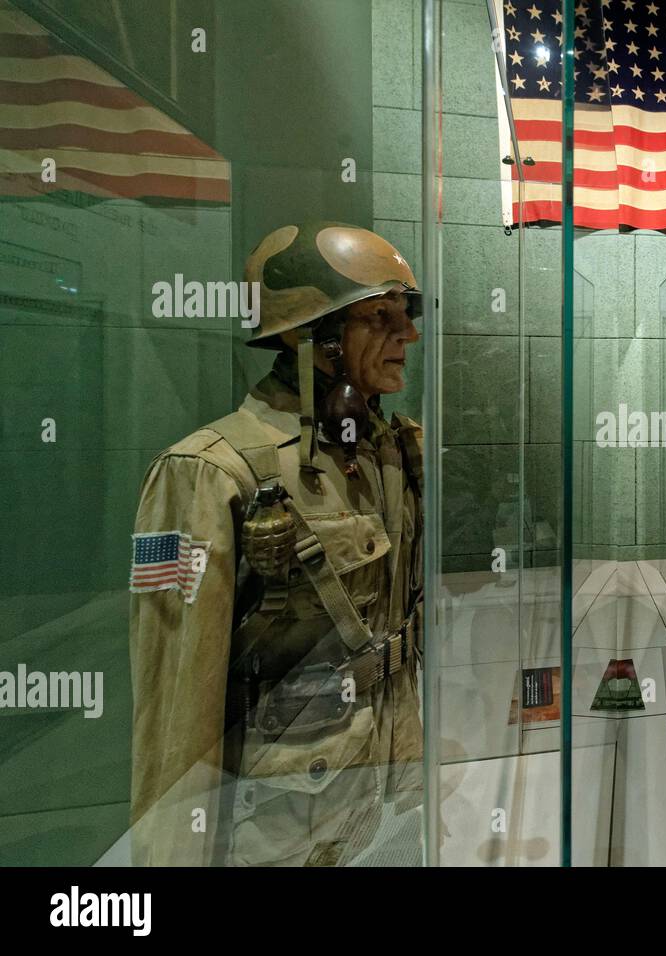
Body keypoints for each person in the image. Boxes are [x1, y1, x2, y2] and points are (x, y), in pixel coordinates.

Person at [128, 222, 426, 865]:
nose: (409, 336)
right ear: (312, 340)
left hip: (380, 796)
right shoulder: (205, 475)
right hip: (278, 824)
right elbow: (175, 708)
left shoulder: (389, 451)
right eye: (381, 318)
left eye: (407, 315)